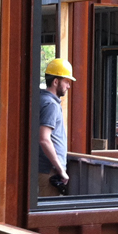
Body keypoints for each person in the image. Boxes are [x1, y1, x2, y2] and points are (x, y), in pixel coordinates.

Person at [38, 58, 74, 196]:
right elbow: (44, 139)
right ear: (55, 82)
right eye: (66, 81)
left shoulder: (39, 99)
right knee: (47, 215)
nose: (68, 86)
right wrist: (61, 170)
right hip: (49, 172)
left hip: (41, 169)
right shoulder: (51, 105)